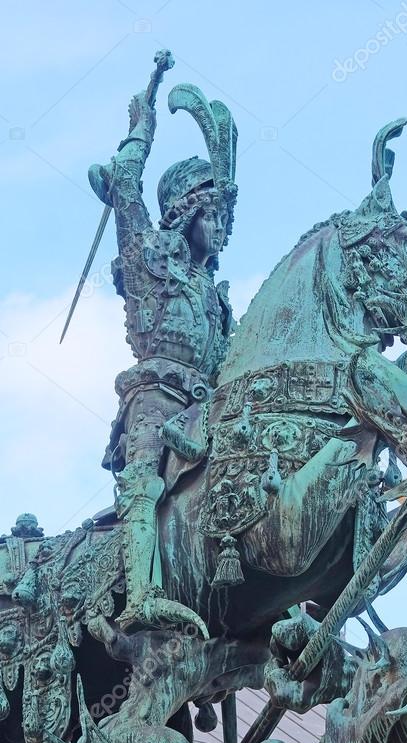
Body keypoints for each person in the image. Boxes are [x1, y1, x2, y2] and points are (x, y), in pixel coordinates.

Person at [89, 70, 237, 633]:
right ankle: (143, 595)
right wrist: (140, 130)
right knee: (145, 483)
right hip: (154, 399)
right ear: (185, 213)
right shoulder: (150, 262)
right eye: (213, 217)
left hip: (209, 410)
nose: (221, 230)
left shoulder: (217, 302)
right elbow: (126, 190)